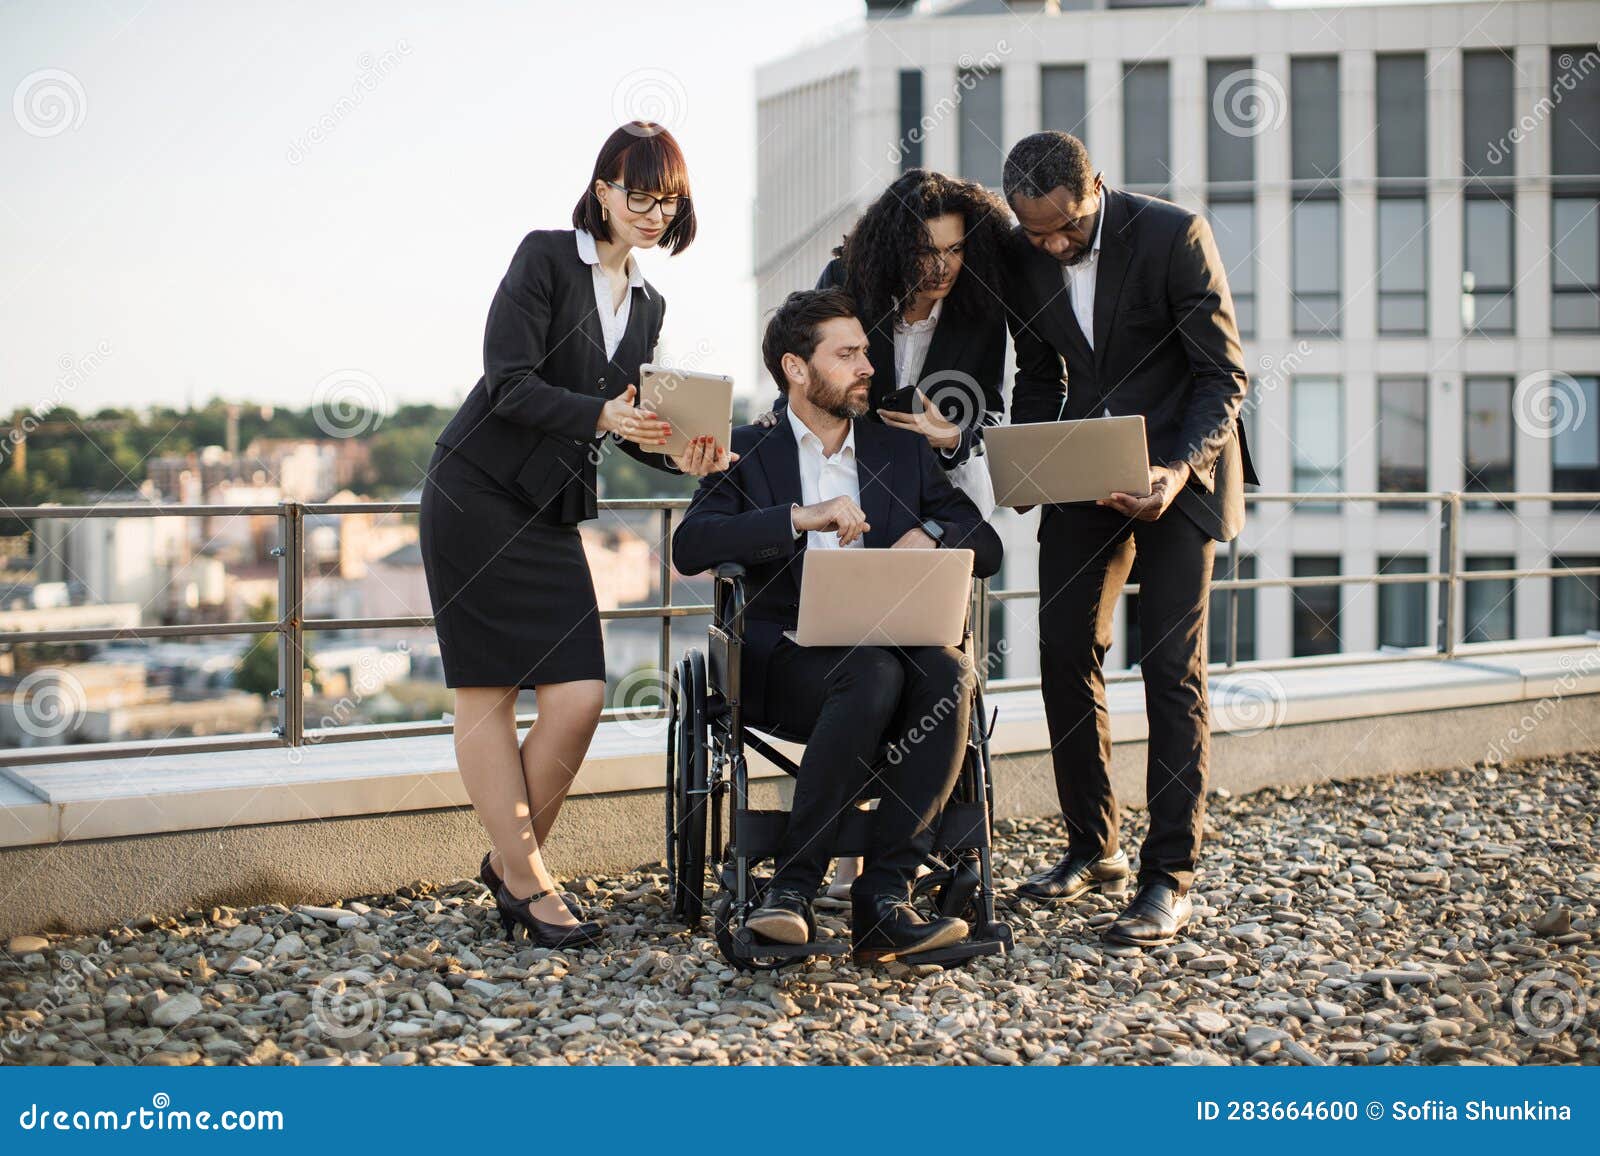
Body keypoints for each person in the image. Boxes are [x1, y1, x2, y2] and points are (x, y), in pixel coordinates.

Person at [419, 122, 732, 950]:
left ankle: (510, 864)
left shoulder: (649, 303)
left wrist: (691, 457)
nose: (654, 212)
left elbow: (630, 425)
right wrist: (600, 411)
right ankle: (527, 880)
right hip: (475, 493)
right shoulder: (545, 259)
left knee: (582, 696)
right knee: (486, 693)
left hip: (548, 509)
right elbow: (509, 382)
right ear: (602, 191)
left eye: (669, 200)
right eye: (639, 194)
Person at [671, 288, 1003, 963]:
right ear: (797, 368)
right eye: (847, 354)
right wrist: (799, 517)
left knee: (947, 670)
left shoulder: (898, 449)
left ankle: (885, 900)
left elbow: (986, 544)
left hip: (895, 656)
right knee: (872, 669)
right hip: (783, 663)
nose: (867, 365)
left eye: (865, 351)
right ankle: (790, 894)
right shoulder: (746, 452)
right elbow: (690, 547)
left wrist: (930, 532)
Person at [999, 131, 1259, 946]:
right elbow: (1040, 373)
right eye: (1035, 232)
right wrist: (1032, 462)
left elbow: (1224, 375)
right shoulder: (1023, 250)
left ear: (1097, 190)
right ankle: (1092, 846)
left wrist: (1177, 471)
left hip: (1186, 467)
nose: (1051, 245)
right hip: (1086, 465)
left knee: (1171, 667)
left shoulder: (1174, 234)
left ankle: (1168, 878)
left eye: (1065, 229)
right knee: (1061, 646)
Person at [757, 169, 1011, 900]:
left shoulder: (980, 299)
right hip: (853, 464)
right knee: (864, 660)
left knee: (936, 652)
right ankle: (843, 853)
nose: (940, 269)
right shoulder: (851, 285)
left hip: (934, 471)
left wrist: (953, 446)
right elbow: (814, 366)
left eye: (955, 252)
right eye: (926, 253)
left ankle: (920, 855)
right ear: (893, 250)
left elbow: (988, 408)